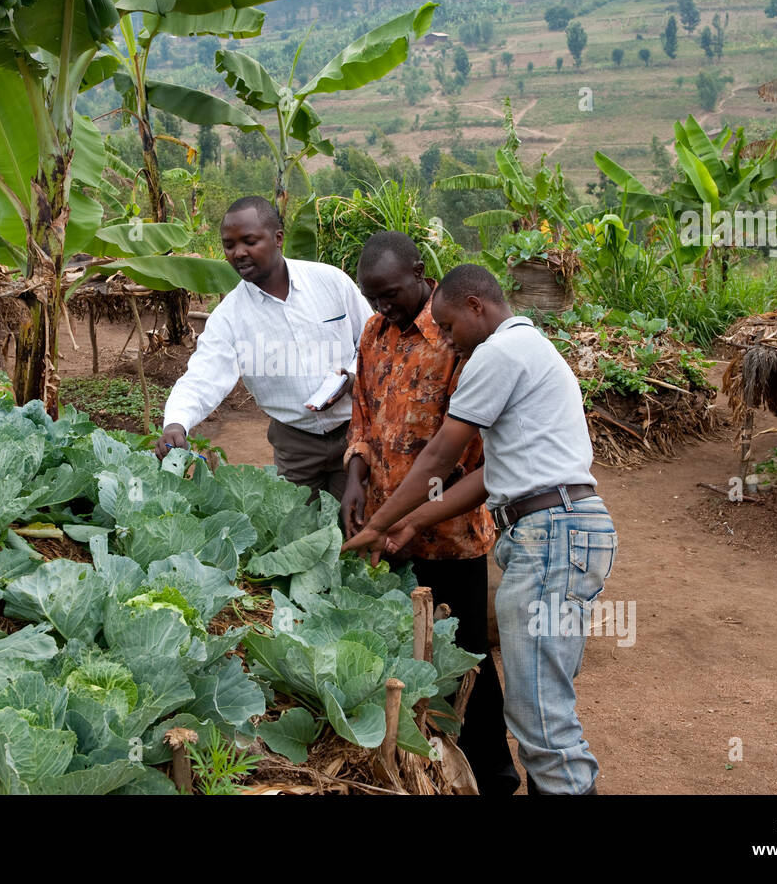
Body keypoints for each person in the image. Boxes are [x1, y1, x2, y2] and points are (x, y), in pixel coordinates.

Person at [343, 263, 617, 796]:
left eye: (447, 327)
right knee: (538, 702)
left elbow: (441, 457)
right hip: (556, 528)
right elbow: (490, 477)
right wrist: (411, 523)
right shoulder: (528, 351)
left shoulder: (498, 353)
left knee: (541, 712)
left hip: (552, 534)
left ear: (475, 306)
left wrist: (378, 524)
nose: (444, 338)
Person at [343, 232, 521, 796]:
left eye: (390, 294)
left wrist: (411, 513)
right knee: (403, 659)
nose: (382, 307)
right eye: (372, 298)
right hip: (388, 534)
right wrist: (356, 476)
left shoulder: (457, 339)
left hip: (450, 535)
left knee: (464, 659)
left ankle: (493, 775)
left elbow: (465, 453)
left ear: (420, 273)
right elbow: (364, 414)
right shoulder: (373, 334)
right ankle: (424, 774)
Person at [155, 196, 373, 502]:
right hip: (295, 444)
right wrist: (176, 422)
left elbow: (373, 341)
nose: (238, 252)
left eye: (249, 241)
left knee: (358, 521)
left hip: (356, 430)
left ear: (278, 238)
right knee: (299, 530)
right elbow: (203, 376)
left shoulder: (330, 282)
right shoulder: (230, 317)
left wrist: (351, 377)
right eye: (229, 245)